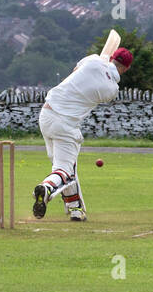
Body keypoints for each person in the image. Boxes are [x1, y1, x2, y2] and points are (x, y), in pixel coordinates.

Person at [32, 47, 132, 221]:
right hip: (65, 124)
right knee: (64, 170)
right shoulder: (111, 90)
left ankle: (76, 210)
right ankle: (46, 188)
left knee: (68, 166)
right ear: (127, 68)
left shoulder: (93, 60)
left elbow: (76, 71)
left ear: (113, 57)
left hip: (46, 115)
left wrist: (100, 61)